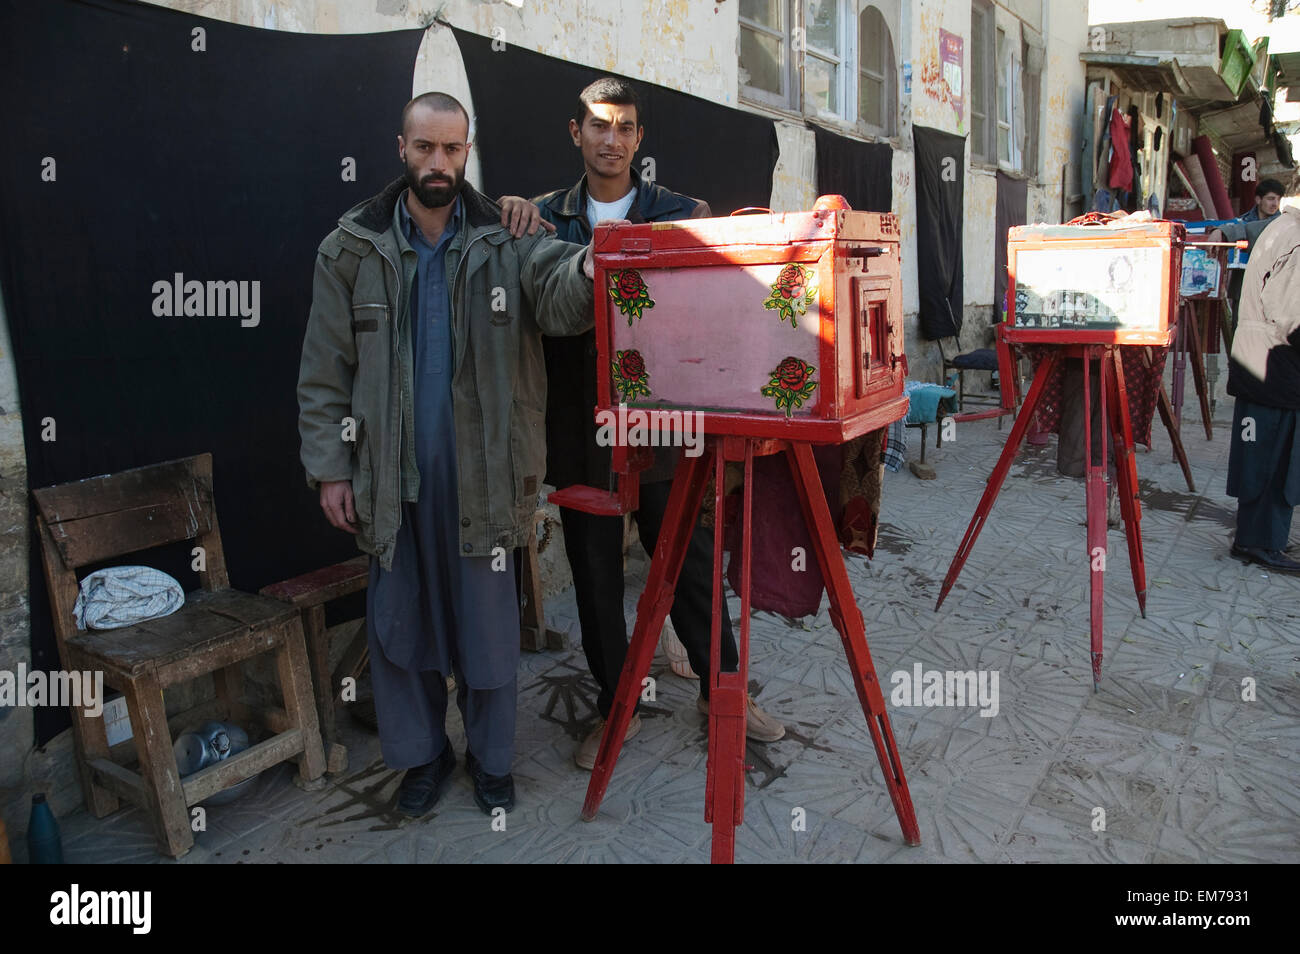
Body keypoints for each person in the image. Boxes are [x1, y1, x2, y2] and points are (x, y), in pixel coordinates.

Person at [297, 91, 597, 817]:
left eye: (452, 149)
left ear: (469, 153)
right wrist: (330, 469)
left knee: (489, 635)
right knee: (402, 630)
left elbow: (558, 294)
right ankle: (422, 758)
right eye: (424, 148)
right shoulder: (352, 248)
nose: (439, 162)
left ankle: (492, 762)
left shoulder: (509, 235)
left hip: (485, 482)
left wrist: (594, 268)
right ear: (401, 149)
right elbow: (323, 370)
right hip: (390, 483)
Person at [498, 77, 785, 771]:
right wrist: (507, 215)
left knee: (688, 558)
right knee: (595, 578)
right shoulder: (541, 217)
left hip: (666, 422)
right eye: (598, 125)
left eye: (625, 126)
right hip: (579, 425)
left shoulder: (682, 213)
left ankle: (724, 693)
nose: (612, 138)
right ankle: (615, 704)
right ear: (576, 133)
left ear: (638, 138)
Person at [1213, 196, 1300, 572]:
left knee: (1264, 455)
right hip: (1275, 363)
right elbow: (1291, 317)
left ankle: (1260, 537)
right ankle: (1259, 542)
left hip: (1263, 360)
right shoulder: (1295, 236)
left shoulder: (1282, 226)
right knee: (1273, 459)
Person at [1226, 178, 1283, 334]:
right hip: (1243, 288)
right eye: (1271, 198)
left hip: (1271, 291)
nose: (1275, 203)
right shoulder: (1240, 222)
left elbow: (1257, 230)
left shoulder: (1282, 224)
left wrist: (1229, 231)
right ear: (1258, 199)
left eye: (1278, 199)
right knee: (1240, 333)